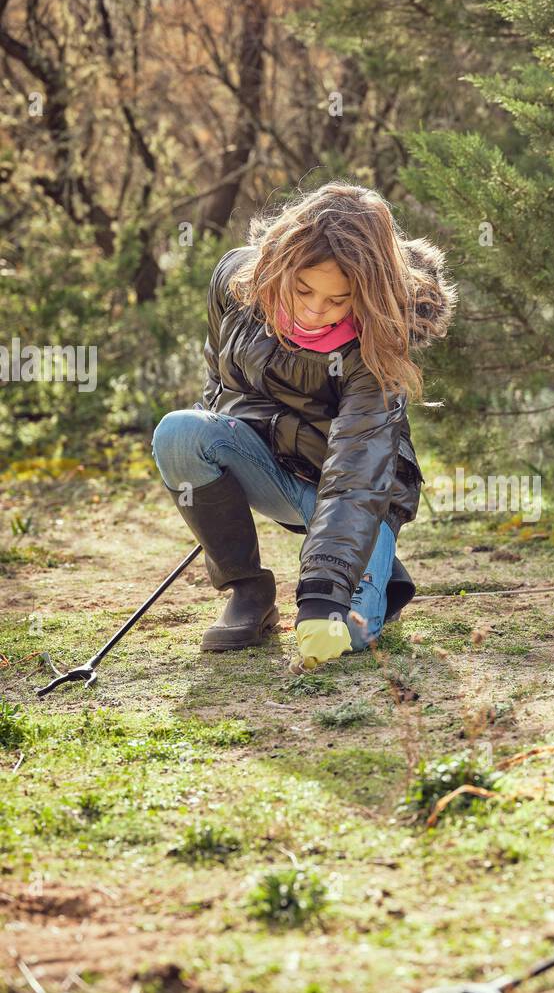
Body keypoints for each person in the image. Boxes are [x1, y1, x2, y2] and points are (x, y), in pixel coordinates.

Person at [151, 182, 454, 669]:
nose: (315, 310)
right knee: (180, 434)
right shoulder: (236, 282)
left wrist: (321, 599)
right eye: (303, 289)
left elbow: (356, 475)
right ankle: (248, 592)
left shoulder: (377, 350)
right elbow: (219, 385)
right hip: (271, 465)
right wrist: (213, 494)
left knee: (348, 636)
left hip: (356, 495)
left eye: (338, 300)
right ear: (279, 266)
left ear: (367, 295)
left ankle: (363, 564)